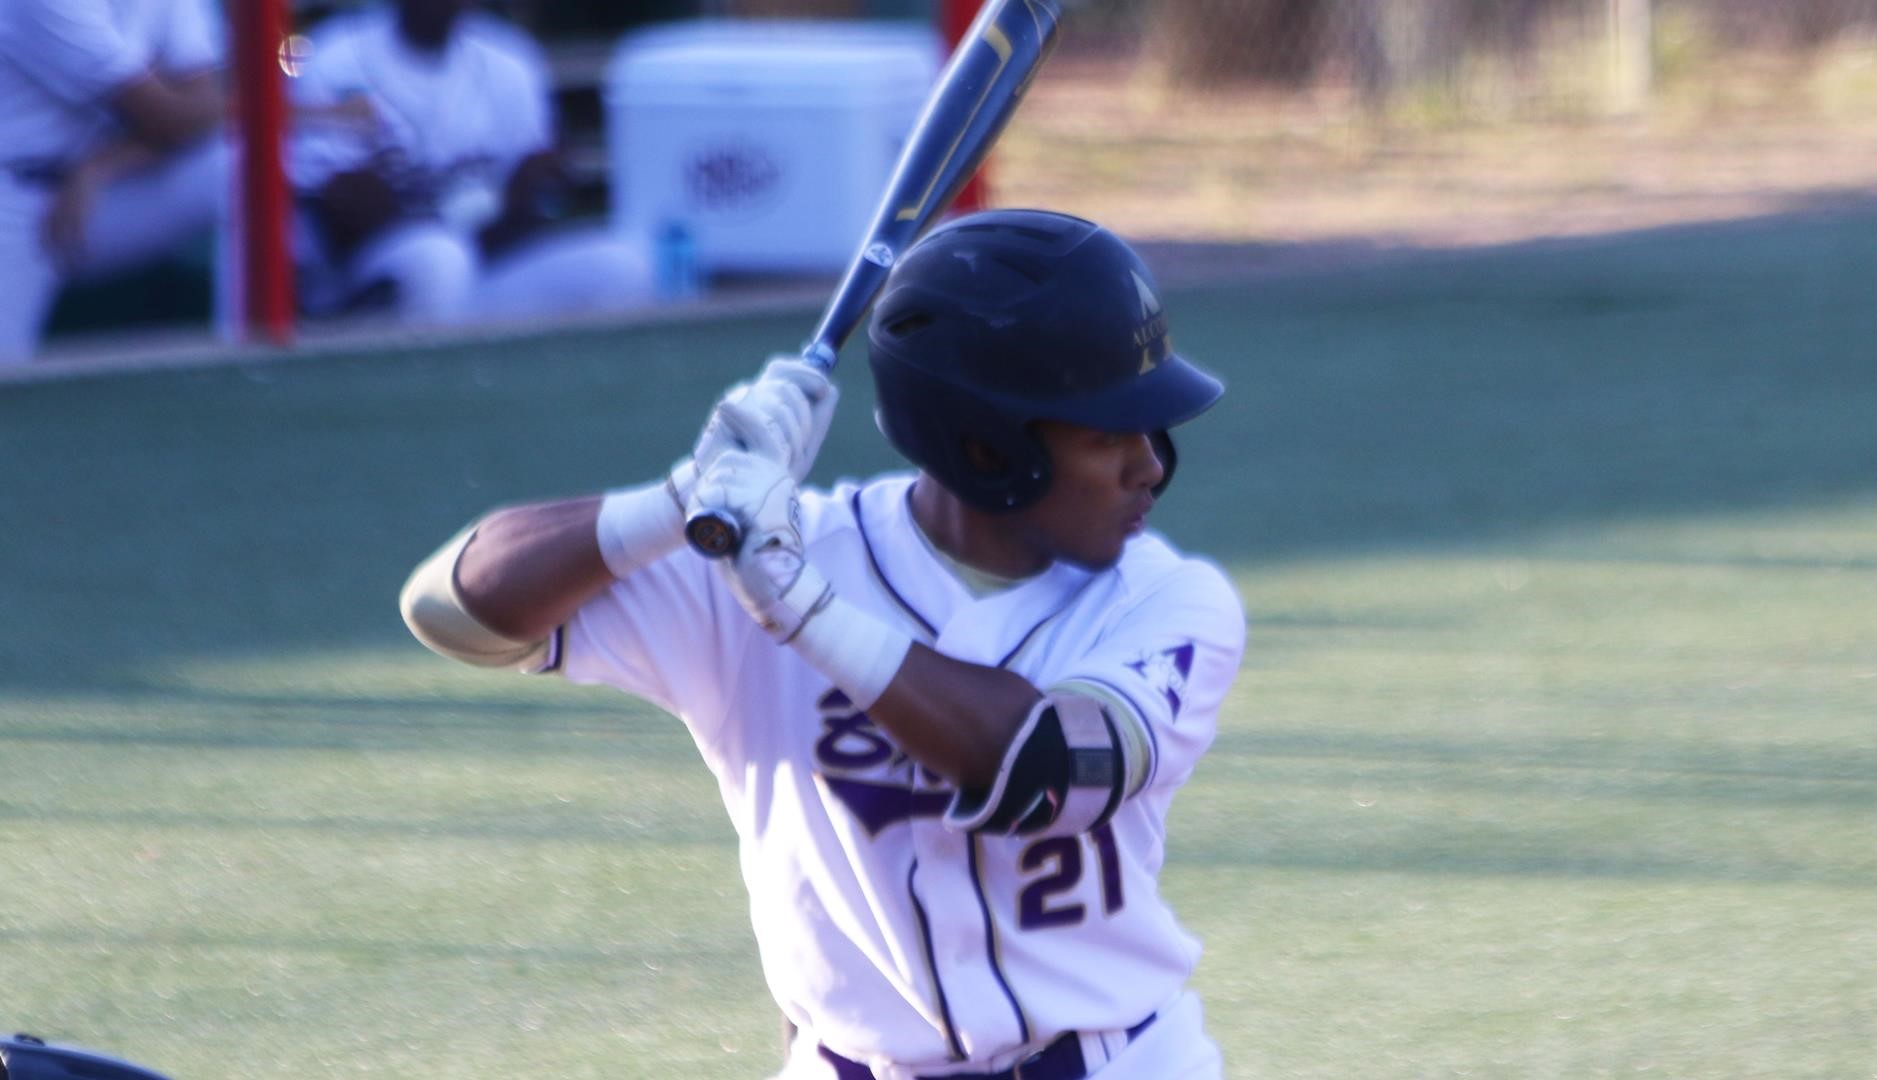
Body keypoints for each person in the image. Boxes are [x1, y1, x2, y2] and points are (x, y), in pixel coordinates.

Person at [400, 209, 1246, 1079]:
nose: (1149, 464)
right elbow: (451, 609)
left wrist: (804, 611)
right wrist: (675, 501)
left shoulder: (1168, 602)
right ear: (987, 447)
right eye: (1108, 435)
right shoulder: (763, 560)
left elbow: (1049, 770)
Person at [287, 0, 651, 324]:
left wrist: (531, 194)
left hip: (486, 265)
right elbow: (337, 207)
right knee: (440, 258)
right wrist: (455, 220)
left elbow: (538, 190)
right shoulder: (336, 54)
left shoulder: (509, 60)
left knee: (622, 265)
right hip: (376, 278)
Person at [0, 0, 230, 365]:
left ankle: (246, 351)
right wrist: (165, 91)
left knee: (230, 161)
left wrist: (99, 168)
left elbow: (205, 107)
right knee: (7, 385)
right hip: (11, 193)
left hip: (95, 192)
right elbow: (168, 117)